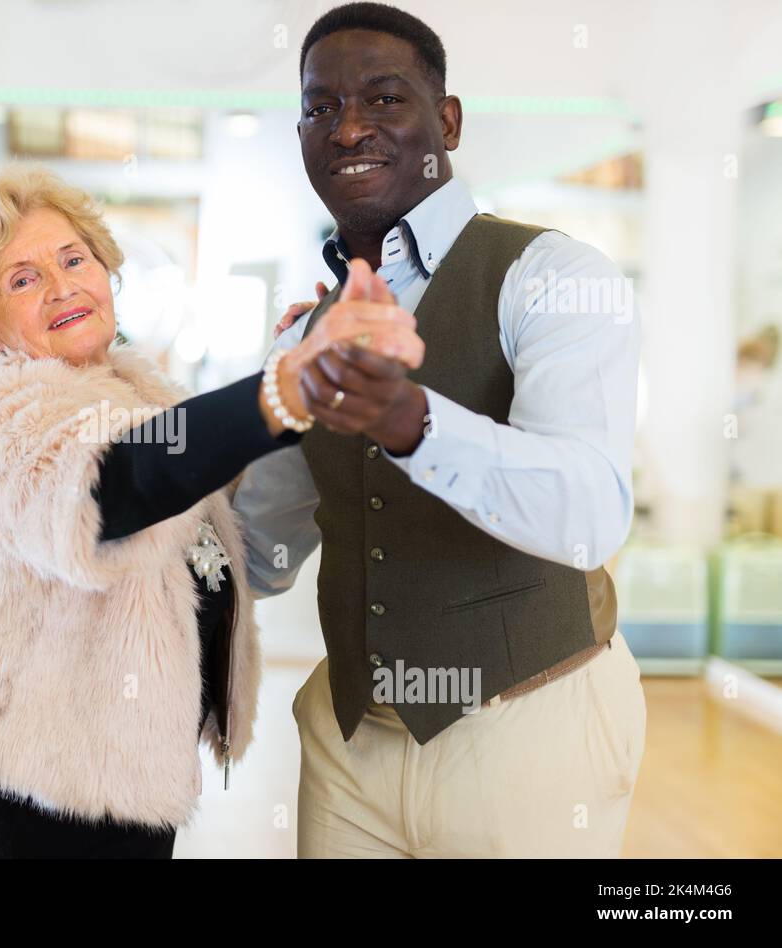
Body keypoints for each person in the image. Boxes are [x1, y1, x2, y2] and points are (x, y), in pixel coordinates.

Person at [235, 2, 647, 857]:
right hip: (349, 743)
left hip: (532, 734)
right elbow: (260, 556)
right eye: (319, 108)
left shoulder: (552, 275)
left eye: (385, 99)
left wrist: (410, 421)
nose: (348, 128)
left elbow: (590, 513)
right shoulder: (299, 337)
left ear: (445, 121)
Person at [0, 166, 423, 858]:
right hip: (41, 780)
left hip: (130, 765)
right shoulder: (7, 414)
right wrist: (284, 386)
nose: (63, 285)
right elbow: (113, 489)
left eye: (74, 259)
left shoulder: (133, 390)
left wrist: (299, 372)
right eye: (24, 279)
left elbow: (219, 534)